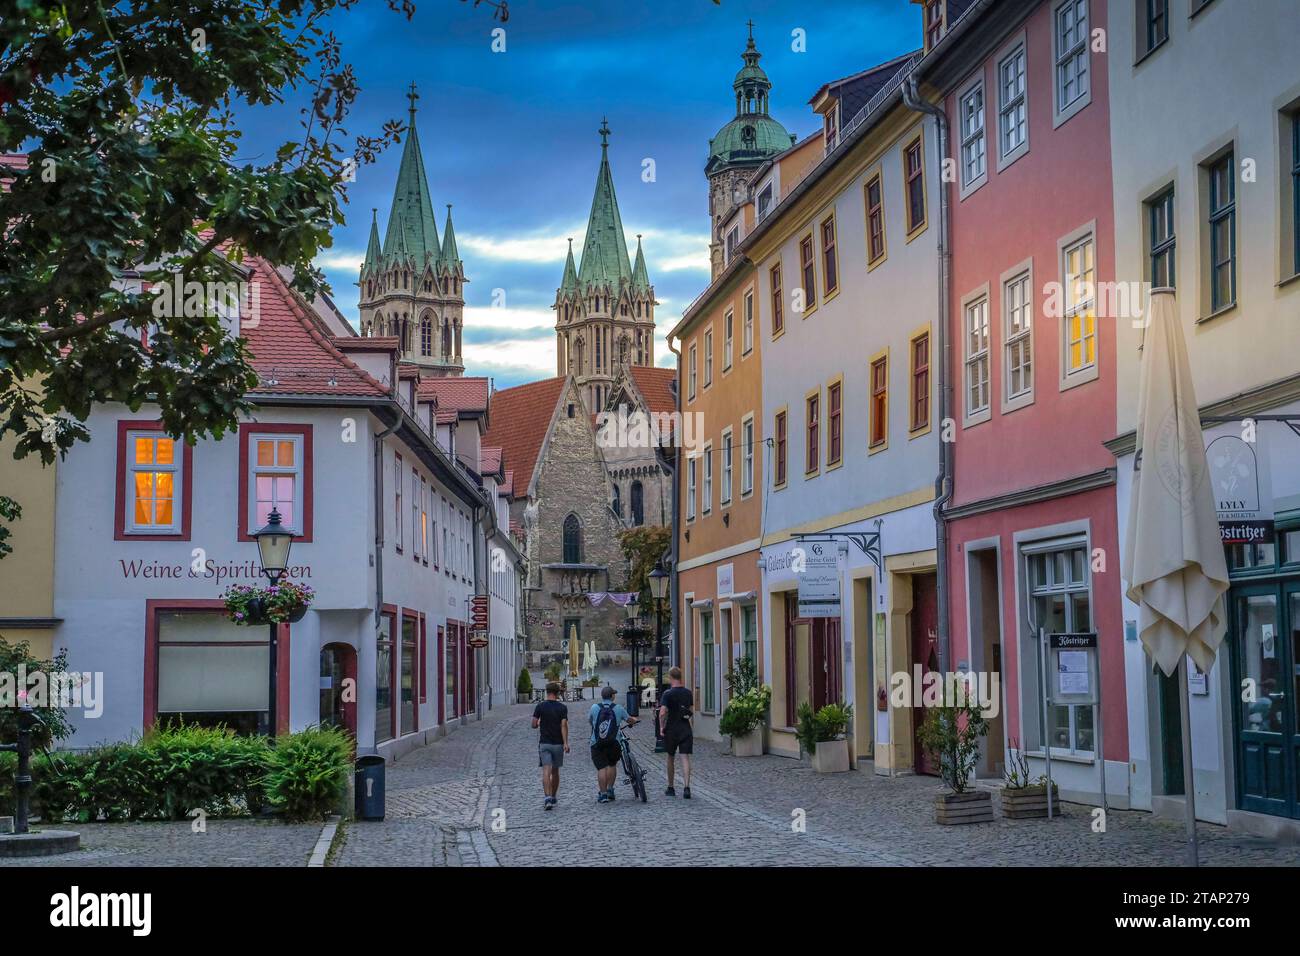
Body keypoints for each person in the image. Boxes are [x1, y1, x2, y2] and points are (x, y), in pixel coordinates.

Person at [589, 685, 637, 803]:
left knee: (601, 768)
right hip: (614, 743)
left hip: (597, 742)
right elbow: (629, 719)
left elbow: (590, 721)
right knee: (611, 765)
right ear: (612, 696)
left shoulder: (594, 707)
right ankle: (610, 789)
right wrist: (634, 720)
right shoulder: (618, 708)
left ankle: (603, 794)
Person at [531, 682, 569, 810]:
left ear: (547, 692)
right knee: (556, 771)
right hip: (558, 744)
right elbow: (563, 726)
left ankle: (547, 798)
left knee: (546, 771)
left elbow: (534, 724)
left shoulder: (540, 706)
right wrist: (565, 743)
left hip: (545, 743)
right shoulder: (562, 708)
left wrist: (539, 722)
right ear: (558, 693)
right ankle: (553, 796)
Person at [658, 666, 693, 798]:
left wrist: (662, 727)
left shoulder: (668, 694)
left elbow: (662, 713)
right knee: (685, 758)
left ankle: (671, 787)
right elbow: (690, 712)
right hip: (685, 728)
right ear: (680, 677)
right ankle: (686, 787)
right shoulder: (688, 693)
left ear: (671, 677)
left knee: (670, 757)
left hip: (672, 729)